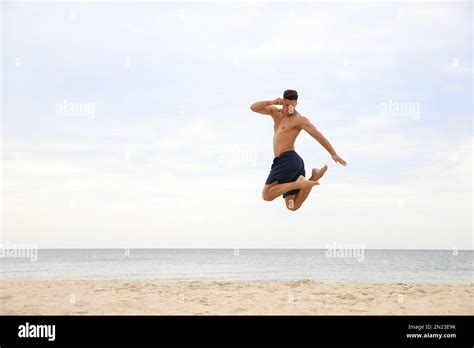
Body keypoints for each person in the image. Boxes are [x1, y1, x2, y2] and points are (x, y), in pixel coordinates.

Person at [250, 89, 347, 211]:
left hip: (288, 160)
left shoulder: (298, 119)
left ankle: (298, 183)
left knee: (267, 195)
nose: (289, 108)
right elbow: (253, 108)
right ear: (282, 101)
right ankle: (314, 178)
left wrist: (333, 153)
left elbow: (317, 135)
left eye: (292, 105)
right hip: (287, 162)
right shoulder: (275, 113)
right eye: (287, 104)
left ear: (296, 104)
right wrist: (271, 101)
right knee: (292, 205)